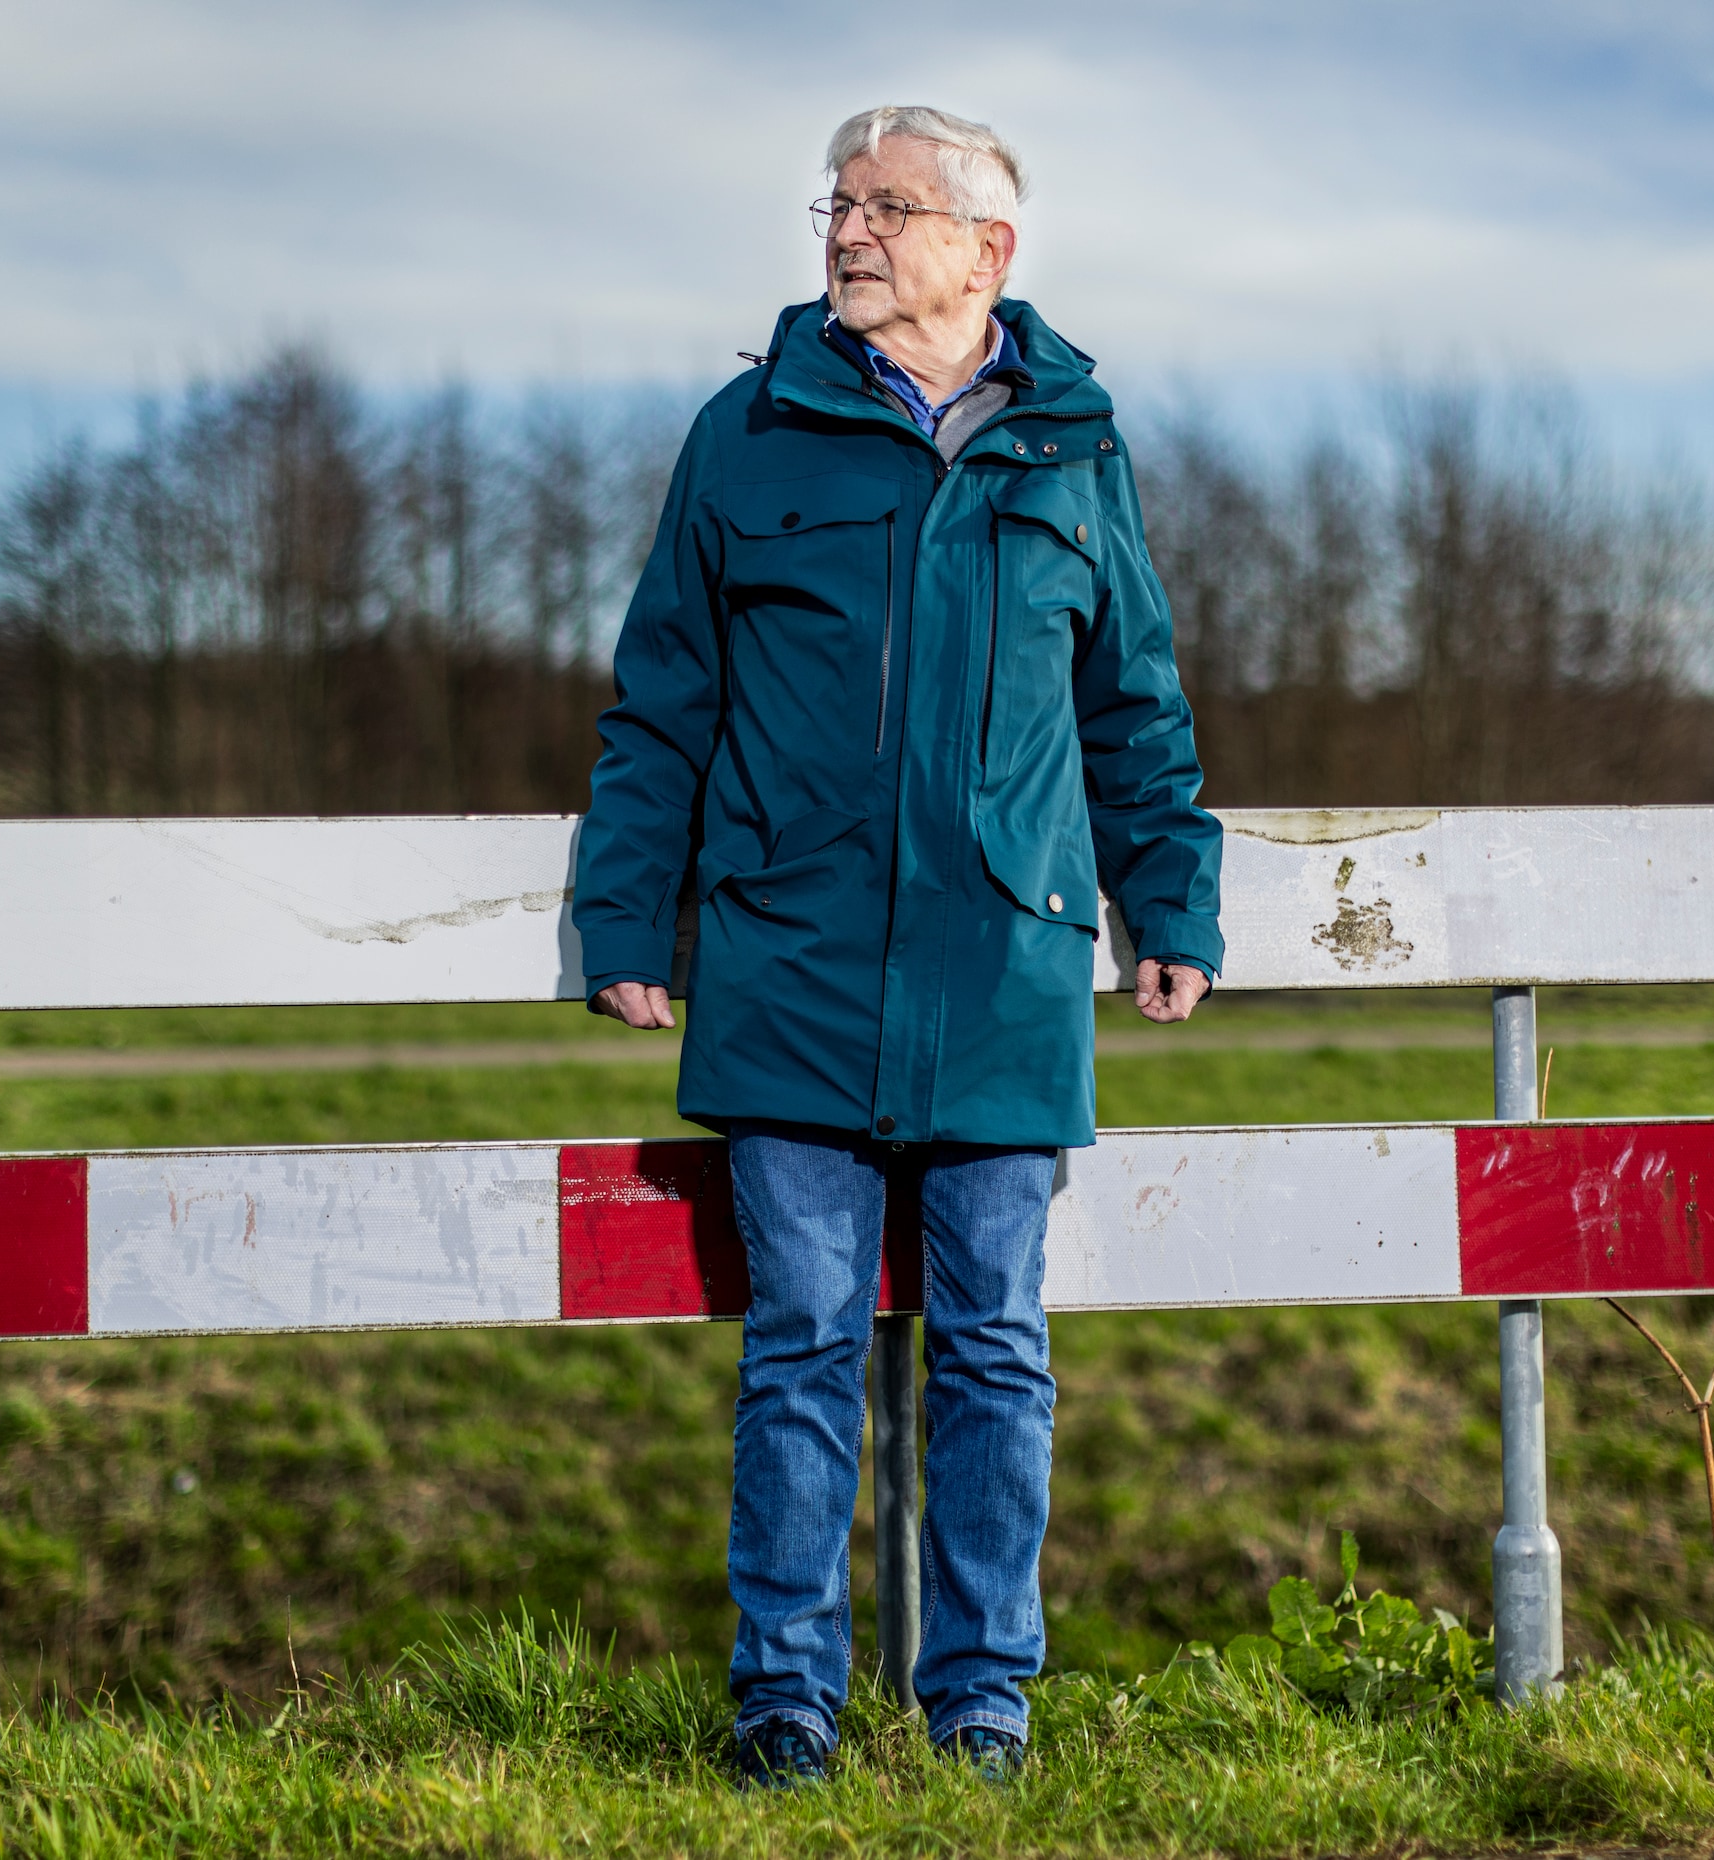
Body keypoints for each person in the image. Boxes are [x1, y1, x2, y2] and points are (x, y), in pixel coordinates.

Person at [572, 103, 1223, 1788]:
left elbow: (1131, 702)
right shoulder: (749, 431)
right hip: (788, 958)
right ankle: (784, 1703)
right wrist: (630, 911)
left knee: (995, 1348)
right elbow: (663, 701)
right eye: (837, 204)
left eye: (886, 207)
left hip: (1006, 968)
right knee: (800, 1341)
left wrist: (1175, 895)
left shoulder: (1077, 447)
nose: (848, 233)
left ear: (987, 249)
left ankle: (981, 1709)